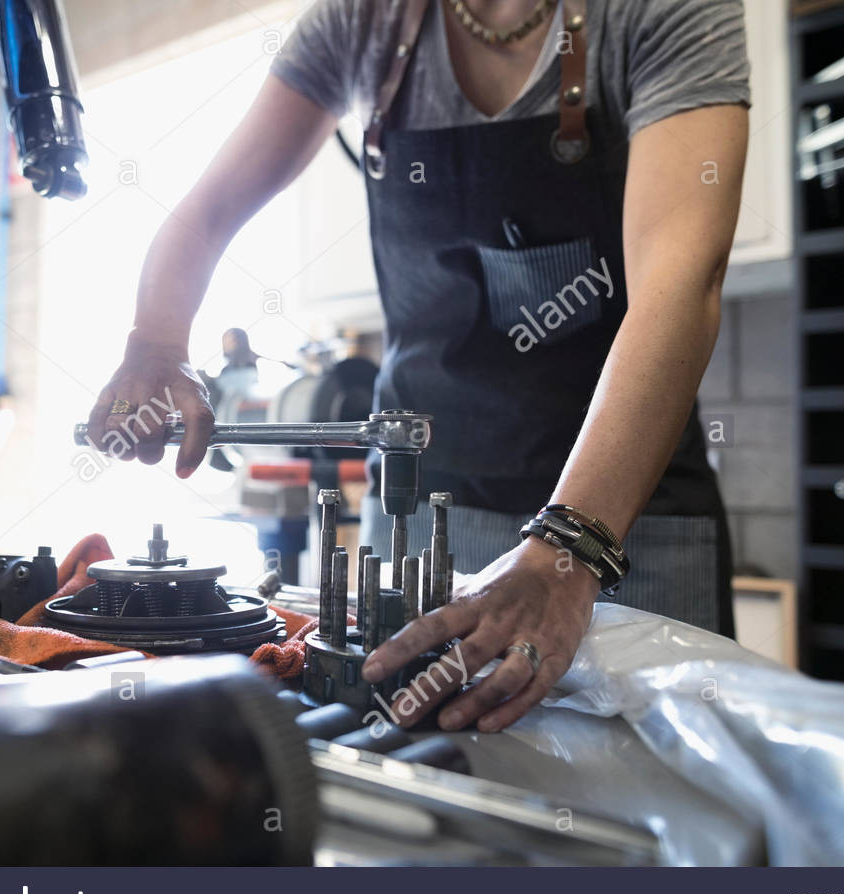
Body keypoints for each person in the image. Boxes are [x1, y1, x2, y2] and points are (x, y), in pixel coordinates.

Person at [85, 0, 750, 732]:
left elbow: (679, 283)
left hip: (628, 526)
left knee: (666, 803)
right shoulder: (359, 24)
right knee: (430, 770)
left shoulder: (657, 11)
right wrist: (154, 344)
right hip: (423, 515)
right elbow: (207, 213)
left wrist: (570, 544)